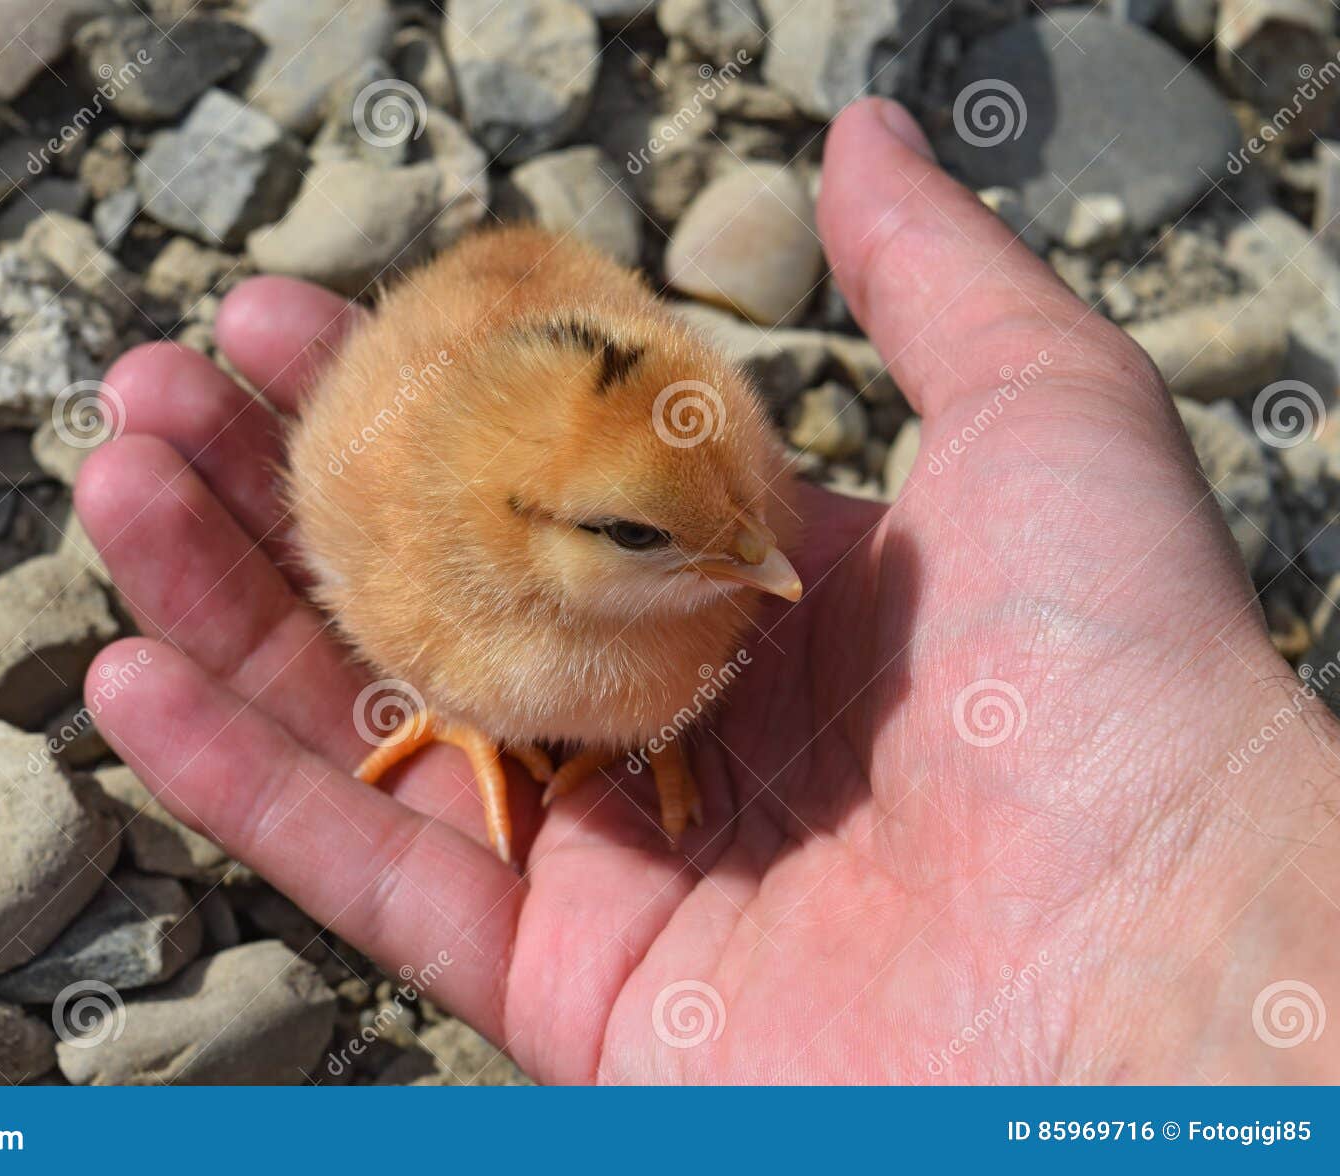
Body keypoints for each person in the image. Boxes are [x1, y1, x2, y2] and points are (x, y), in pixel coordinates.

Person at [73, 99, 1338, 1082]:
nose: (768, 568)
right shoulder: (424, 581)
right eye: (651, 541)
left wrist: (1198, 853)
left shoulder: (699, 480)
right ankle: (501, 708)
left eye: (742, 523)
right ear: (524, 537)